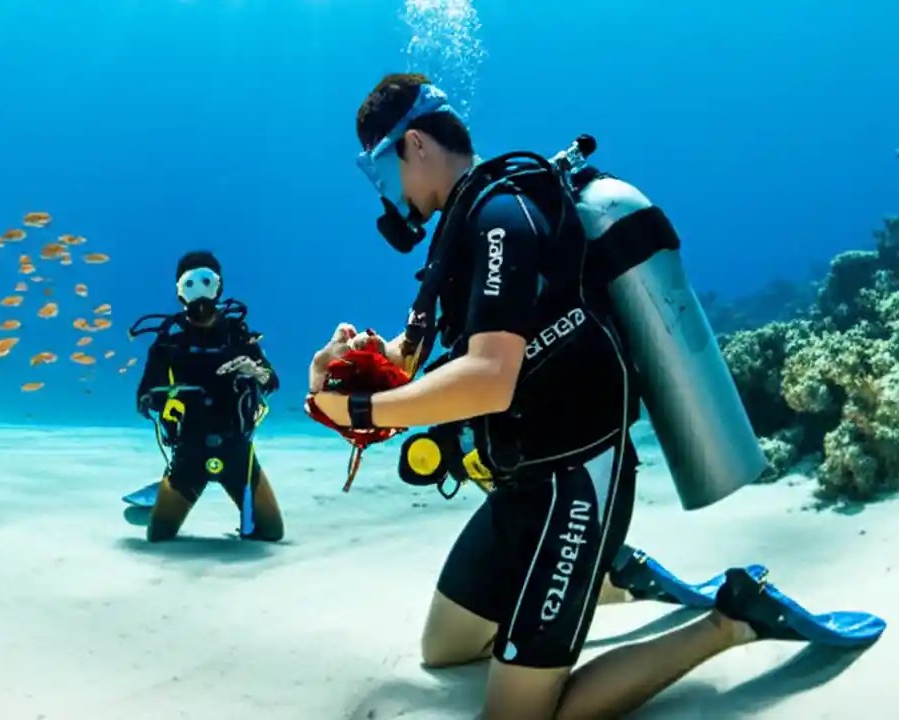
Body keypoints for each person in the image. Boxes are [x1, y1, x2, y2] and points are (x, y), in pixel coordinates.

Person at [306, 73, 812, 719]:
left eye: (382, 176)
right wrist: (345, 368)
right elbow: (418, 358)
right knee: (444, 649)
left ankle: (734, 617)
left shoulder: (499, 219)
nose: (387, 199)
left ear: (413, 145)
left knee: (519, 717)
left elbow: (489, 379)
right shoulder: (466, 230)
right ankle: (609, 578)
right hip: (520, 485)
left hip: (575, 482)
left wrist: (358, 411)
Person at [129, 251, 284, 543]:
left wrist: (257, 373)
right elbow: (142, 399)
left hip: (238, 451)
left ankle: (165, 496)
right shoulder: (168, 345)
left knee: (271, 533)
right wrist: (166, 399)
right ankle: (159, 497)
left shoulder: (239, 338)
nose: (199, 293)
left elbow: (272, 382)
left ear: (219, 287)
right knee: (159, 537)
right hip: (189, 451)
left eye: (206, 282)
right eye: (190, 284)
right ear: (180, 293)